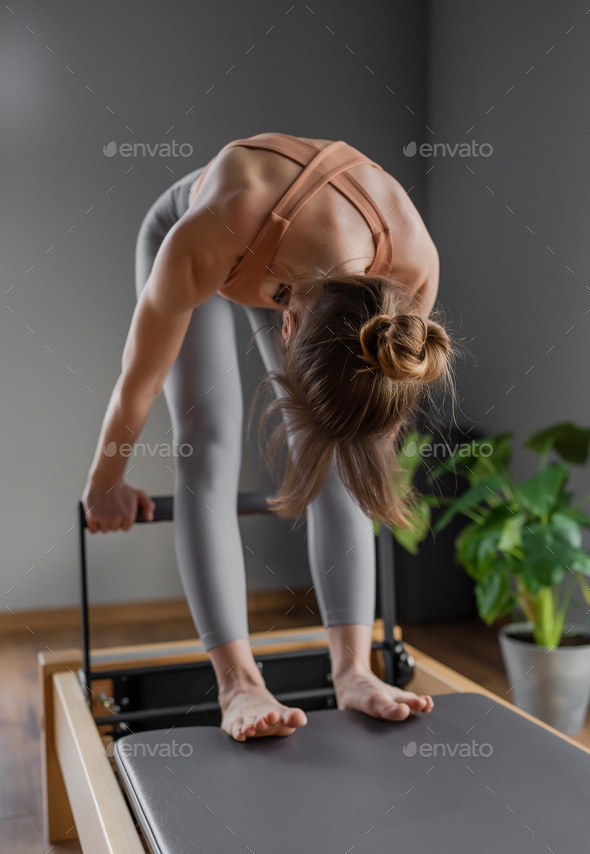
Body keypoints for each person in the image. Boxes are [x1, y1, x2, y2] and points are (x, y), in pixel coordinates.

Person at [82, 133, 450, 742]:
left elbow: (366, 425)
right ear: (286, 325)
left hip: (293, 255)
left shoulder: (410, 275)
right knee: (207, 440)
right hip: (218, 227)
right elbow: (138, 382)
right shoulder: (213, 231)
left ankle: (353, 671)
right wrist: (105, 481)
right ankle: (238, 684)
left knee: (341, 458)